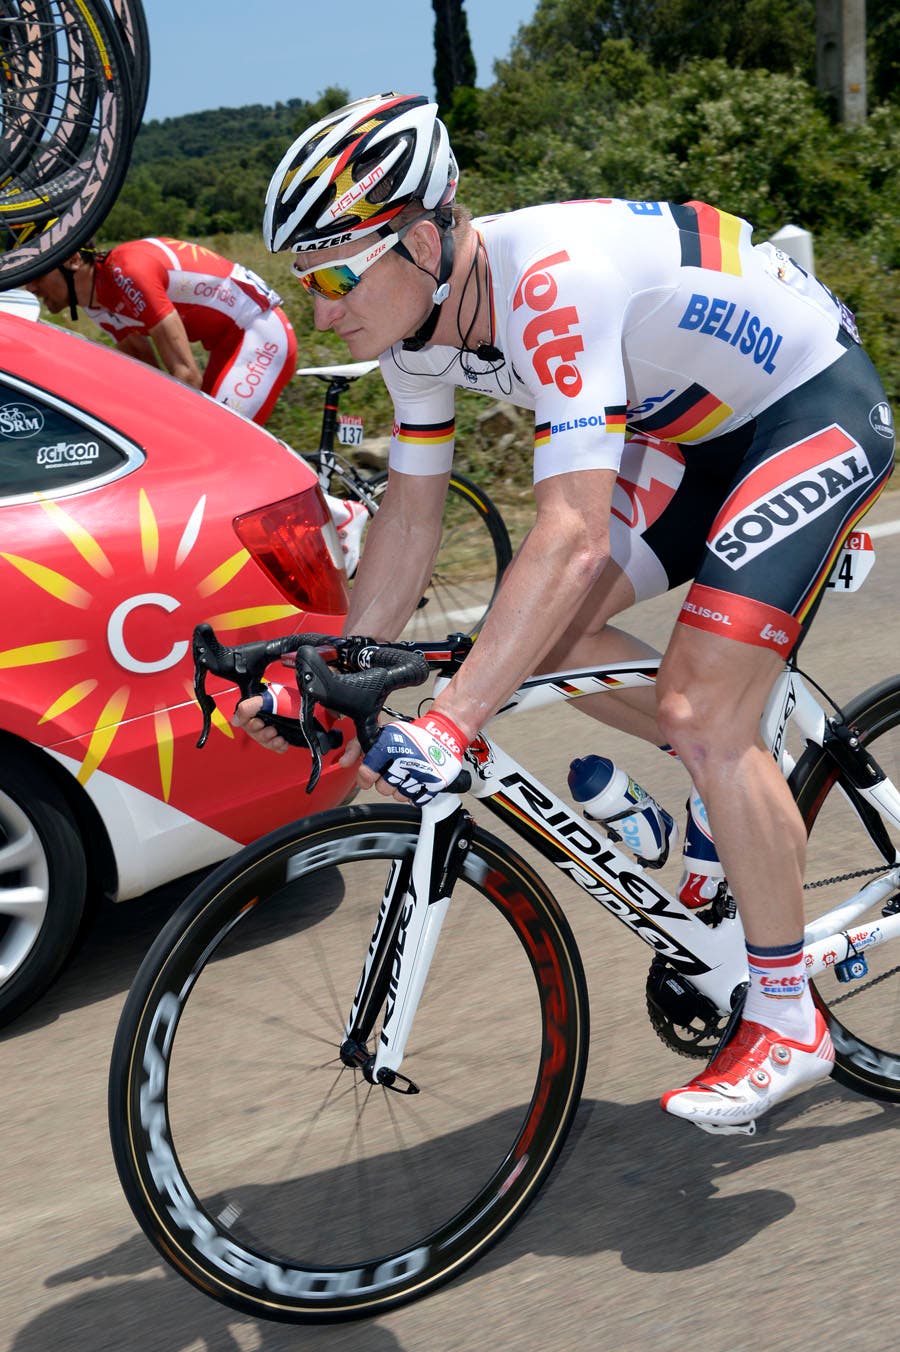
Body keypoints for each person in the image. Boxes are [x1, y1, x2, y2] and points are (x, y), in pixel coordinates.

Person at [235, 93, 895, 1135]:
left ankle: (786, 1017)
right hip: (689, 433)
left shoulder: (549, 283)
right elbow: (409, 521)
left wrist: (451, 720)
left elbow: (574, 532)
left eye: (331, 276)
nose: (320, 312)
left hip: (809, 410)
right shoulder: (416, 337)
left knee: (700, 710)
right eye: (304, 282)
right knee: (550, 641)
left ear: (419, 240)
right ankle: (727, 771)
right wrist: (333, 671)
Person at [24, 237, 368, 566]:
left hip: (258, 332)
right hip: (226, 344)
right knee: (213, 451)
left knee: (219, 450)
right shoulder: (97, 303)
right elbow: (147, 382)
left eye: (39, 273)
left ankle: (340, 514)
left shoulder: (127, 271)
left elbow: (185, 375)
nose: (30, 285)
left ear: (72, 260)